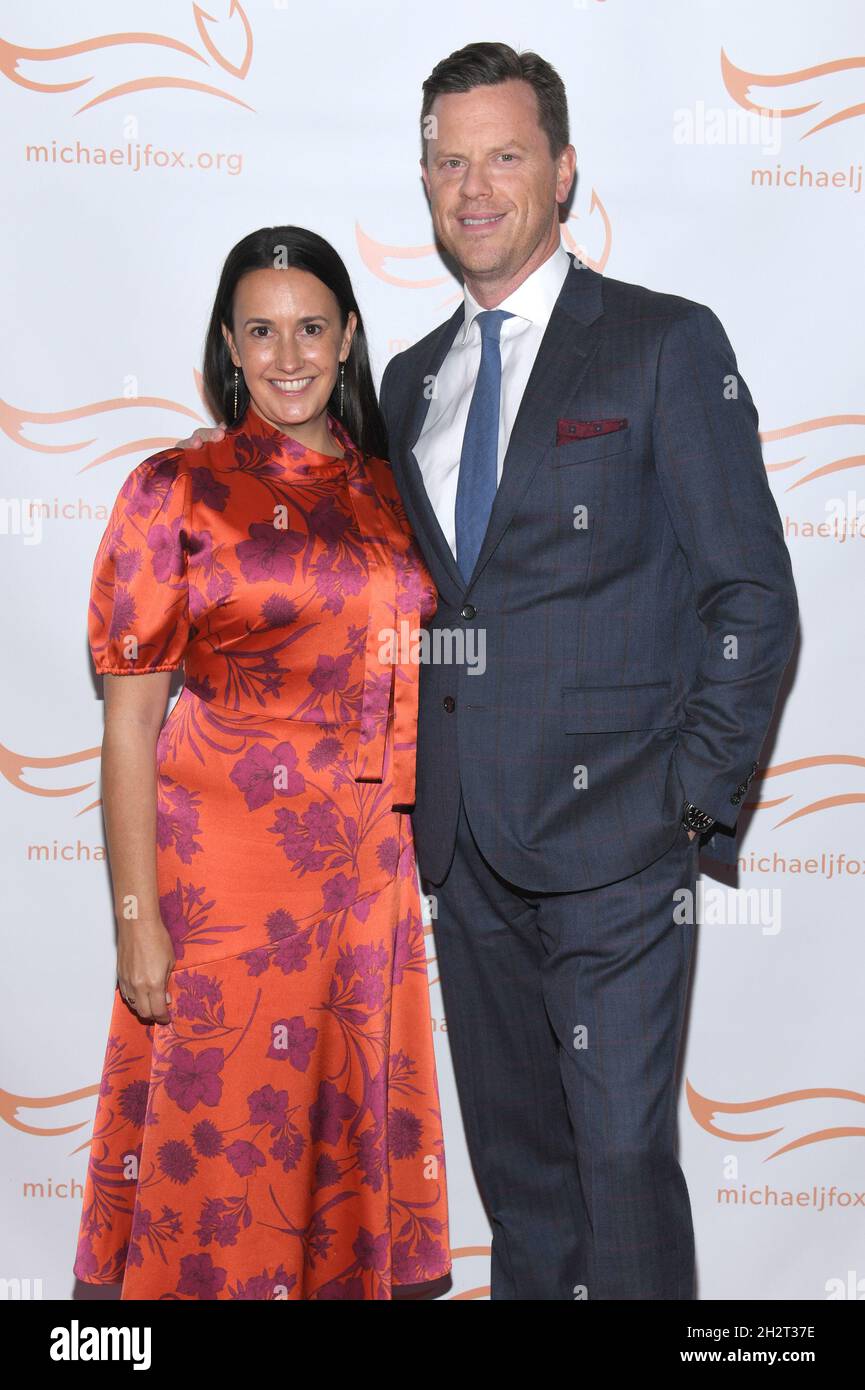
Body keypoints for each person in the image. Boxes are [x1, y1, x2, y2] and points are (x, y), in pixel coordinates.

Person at [178, 44, 799, 1300]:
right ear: (423, 178)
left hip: (620, 854)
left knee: (621, 1167)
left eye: (503, 155)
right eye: (449, 159)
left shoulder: (665, 344)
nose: (474, 185)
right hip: (464, 856)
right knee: (519, 1184)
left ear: (562, 172)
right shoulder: (408, 382)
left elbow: (752, 596)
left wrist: (685, 811)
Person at [73, 226, 451, 1301]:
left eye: (311, 328)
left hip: (369, 882)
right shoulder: (176, 490)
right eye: (261, 331)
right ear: (229, 348)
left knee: (337, 1161)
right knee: (229, 1154)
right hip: (224, 887)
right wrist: (137, 918)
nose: (288, 355)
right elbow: (128, 727)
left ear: (346, 338)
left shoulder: (395, 491)